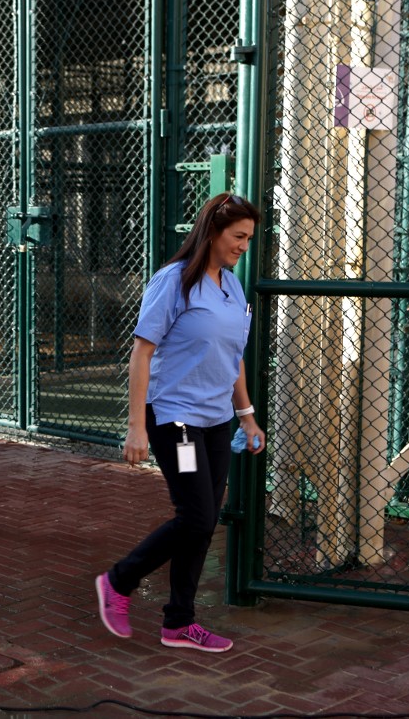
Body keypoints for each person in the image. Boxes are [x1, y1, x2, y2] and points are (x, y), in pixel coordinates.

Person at [95, 192, 265, 653]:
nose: (244, 246)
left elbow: (234, 358)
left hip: (215, 421)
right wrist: (136, 426)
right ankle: (118, 580)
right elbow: (142, 352)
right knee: (196, 517)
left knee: (203, 523)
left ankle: (178, 624)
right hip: (177, 420)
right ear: (212, 231)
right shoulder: (173, 282)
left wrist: (246, 416)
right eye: (238, 236)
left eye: (249, 238)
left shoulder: (231, 286)